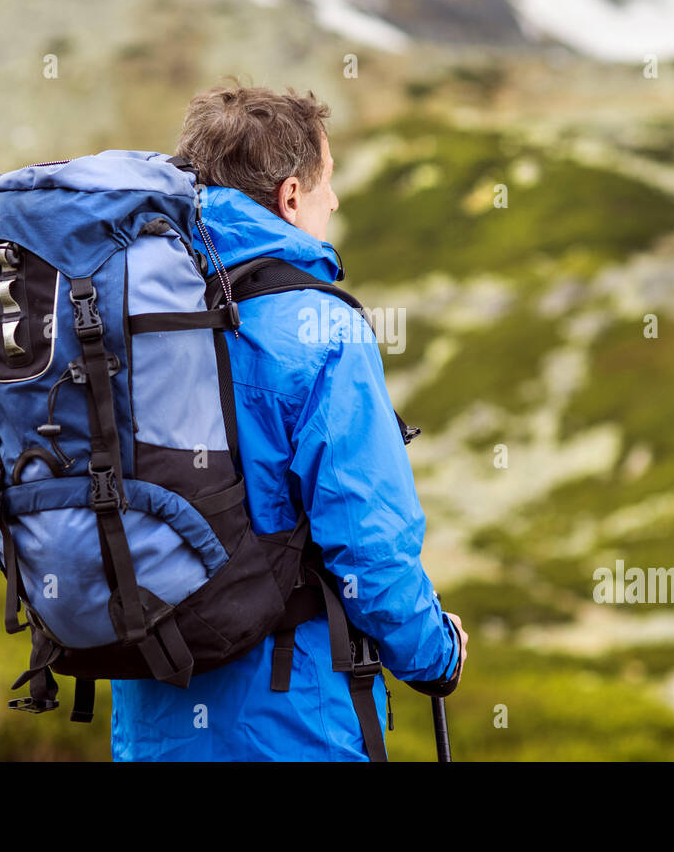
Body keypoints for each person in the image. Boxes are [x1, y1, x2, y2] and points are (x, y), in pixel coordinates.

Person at [110, 82, 468, 761]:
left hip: (151, 720)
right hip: (290, 726)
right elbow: (370, 550)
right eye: (327, 182)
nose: (333, 202)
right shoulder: (325, 330)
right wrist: (437, 653)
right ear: (290, 196)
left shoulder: (128, 318)